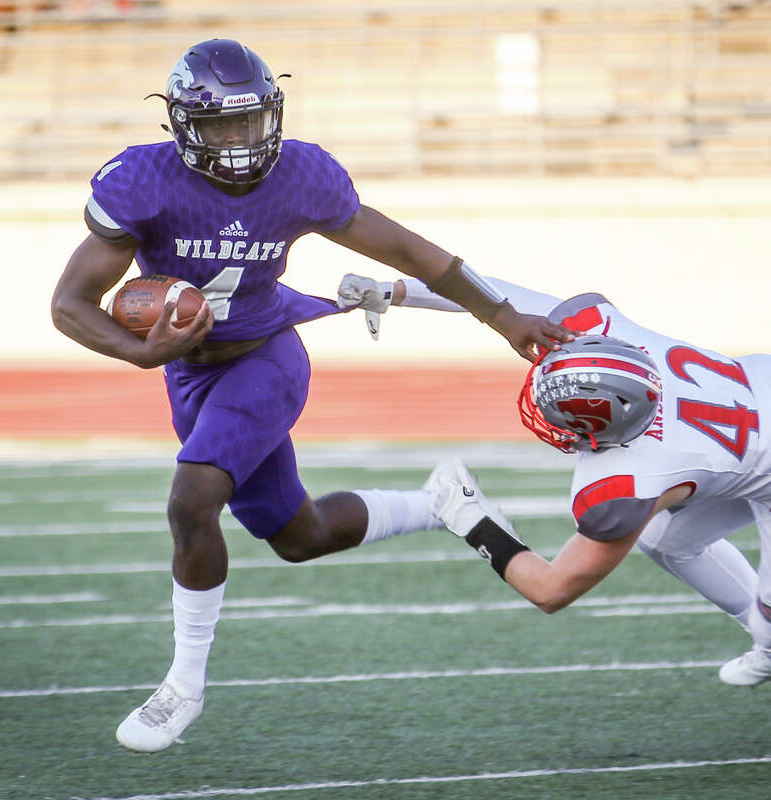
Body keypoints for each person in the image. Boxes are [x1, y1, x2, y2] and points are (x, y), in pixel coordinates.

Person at [49, 38, 572, 753]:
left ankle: (183, 686)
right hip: (191, 375)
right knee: (301, 537)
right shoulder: (144, 181)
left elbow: (412, 252)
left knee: (192, 501)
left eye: (250, 121)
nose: (239, 141)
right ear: (181, 124)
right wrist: (142, 352)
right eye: (221, 126)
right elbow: (70, 303)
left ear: (274, 113)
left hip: (266, 357)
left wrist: (502, 316)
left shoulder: (299, 175)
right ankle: (441, 503)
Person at [346, 276, 771, 751]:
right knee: (667, 538)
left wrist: (468, 517)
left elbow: (552, 588)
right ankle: (762, 626)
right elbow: (493, 293)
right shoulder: (604, 332)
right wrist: (398, 290)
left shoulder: (629, 479)